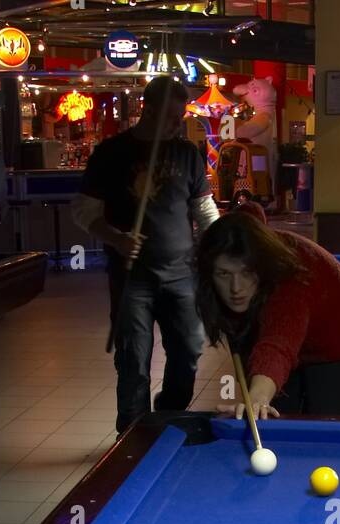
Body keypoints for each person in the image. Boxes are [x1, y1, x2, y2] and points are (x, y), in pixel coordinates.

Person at [73, 76, 219, 434]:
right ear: (147, 109)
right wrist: (116, 237)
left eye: (180, 117)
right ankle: (133, 437)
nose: (176, 125)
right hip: (131, 276)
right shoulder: (111, 152)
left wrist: (220, 244)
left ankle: (165, 415)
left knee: (188, 352)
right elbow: (83, 212)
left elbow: (204, 211)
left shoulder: (186, 153)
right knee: (134, 361)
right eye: (169, 117)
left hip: (182, 273)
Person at [194, 203, 340, 419]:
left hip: (339, 329)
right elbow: (250, 211)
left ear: (261, 267)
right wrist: (255, 391)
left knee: (326, 422)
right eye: (224, 274)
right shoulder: (230, 262)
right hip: (281, 330)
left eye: (247, 272)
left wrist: (257, 397)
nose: (236, 288)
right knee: (273, 416)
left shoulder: (290, 279)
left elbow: (277, 345)